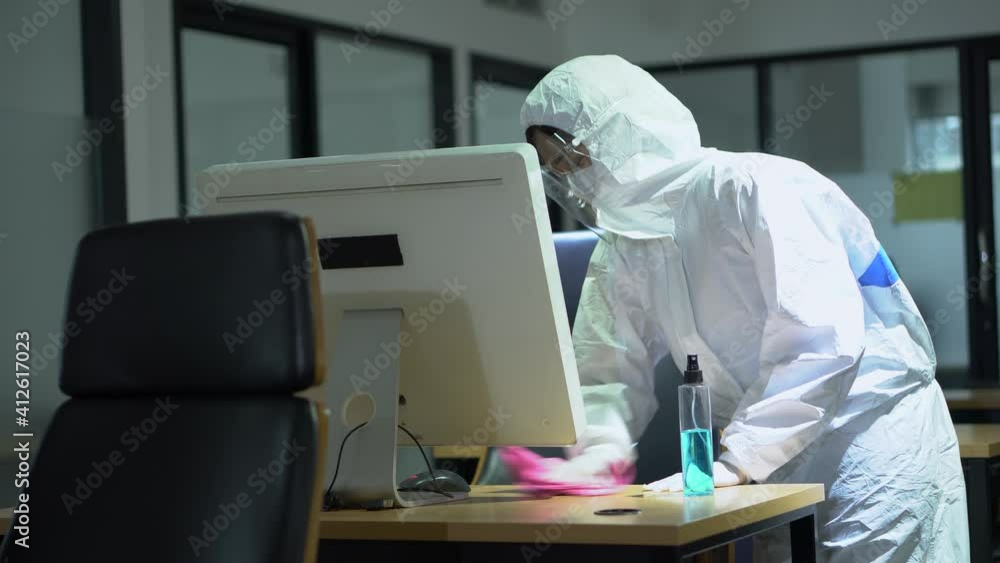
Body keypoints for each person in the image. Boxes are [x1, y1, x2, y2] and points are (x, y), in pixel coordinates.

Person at [506, 55, 970, 562]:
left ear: (622, 128)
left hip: (869, 440)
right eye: (558, 168)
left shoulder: (755, 186)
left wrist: (741, 458)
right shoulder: (624, 243)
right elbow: (606, 364)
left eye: (575, 157)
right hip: (763, 463)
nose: (574, 179)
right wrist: (598, 452)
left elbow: (820, 340)